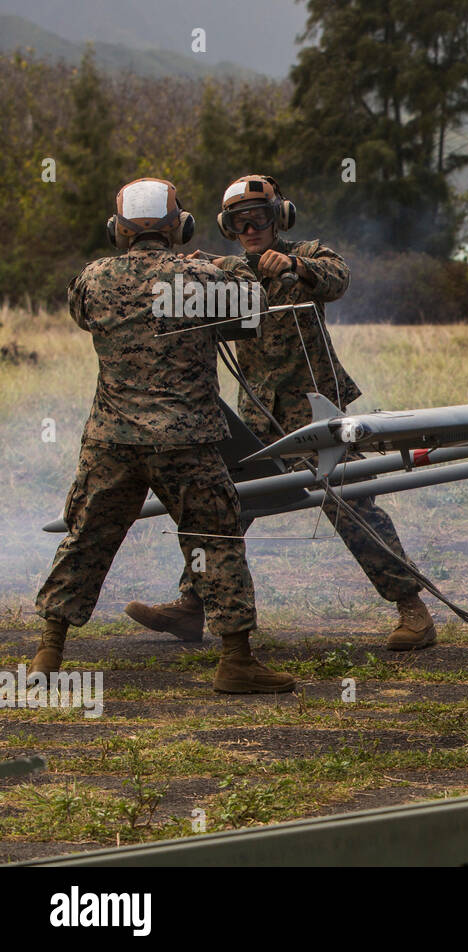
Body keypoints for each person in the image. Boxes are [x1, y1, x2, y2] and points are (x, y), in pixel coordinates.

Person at [124, 174, 436, 651]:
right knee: (222, 506)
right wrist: (189, 270)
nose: (250, 229)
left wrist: (294, 265)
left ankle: (412, 610)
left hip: (316, 407)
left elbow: (339, 277)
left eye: (259, 218)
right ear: (227, 227)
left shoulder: (309, 255)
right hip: (255, 413)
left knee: (349, 503)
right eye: (238, 222)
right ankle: (192, 605)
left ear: (280, 217)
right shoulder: (225, 272)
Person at [33, 177, 295, 694]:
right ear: (181, 226)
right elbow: (252, 315)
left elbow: (88, 319)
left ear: (118, 230)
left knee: (86, 539)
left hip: (112, 439)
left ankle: (48, 650)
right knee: (216, 541)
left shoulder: (92, 279)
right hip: (188, 441)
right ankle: (236, 662)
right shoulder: (198, 277)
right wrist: (228, 269)